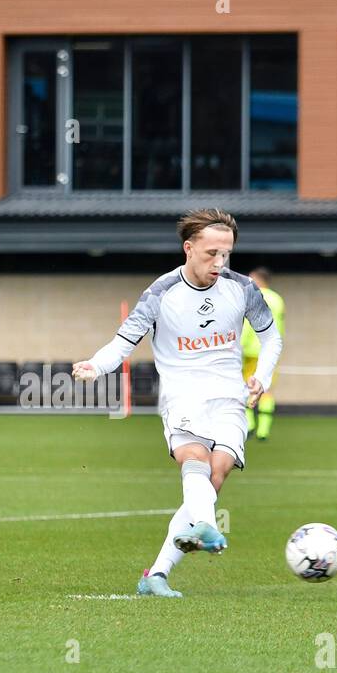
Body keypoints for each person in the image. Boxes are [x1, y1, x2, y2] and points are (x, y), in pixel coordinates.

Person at [73, 208, 282, 598]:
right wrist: (96, 365)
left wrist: (262, 376)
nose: (220, 262)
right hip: (183, 393)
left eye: (227, 254)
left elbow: (272, 337)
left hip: (230, 398)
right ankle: (205, 525)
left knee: (216, 473)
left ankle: (156, 575)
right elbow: (125, 340)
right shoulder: (161, 292)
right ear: (189, 248)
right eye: (211, 253)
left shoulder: (242, 289)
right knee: (195, 458)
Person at [240, 266, 286, 441]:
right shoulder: (278, 299)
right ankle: (263, 431)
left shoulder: (252, 296)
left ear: (258, 280)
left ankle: (250, 425)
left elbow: (246, 325)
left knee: (247, 386)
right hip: (269, 352)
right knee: (266, 389)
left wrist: (240, 345)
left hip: (251, 351)